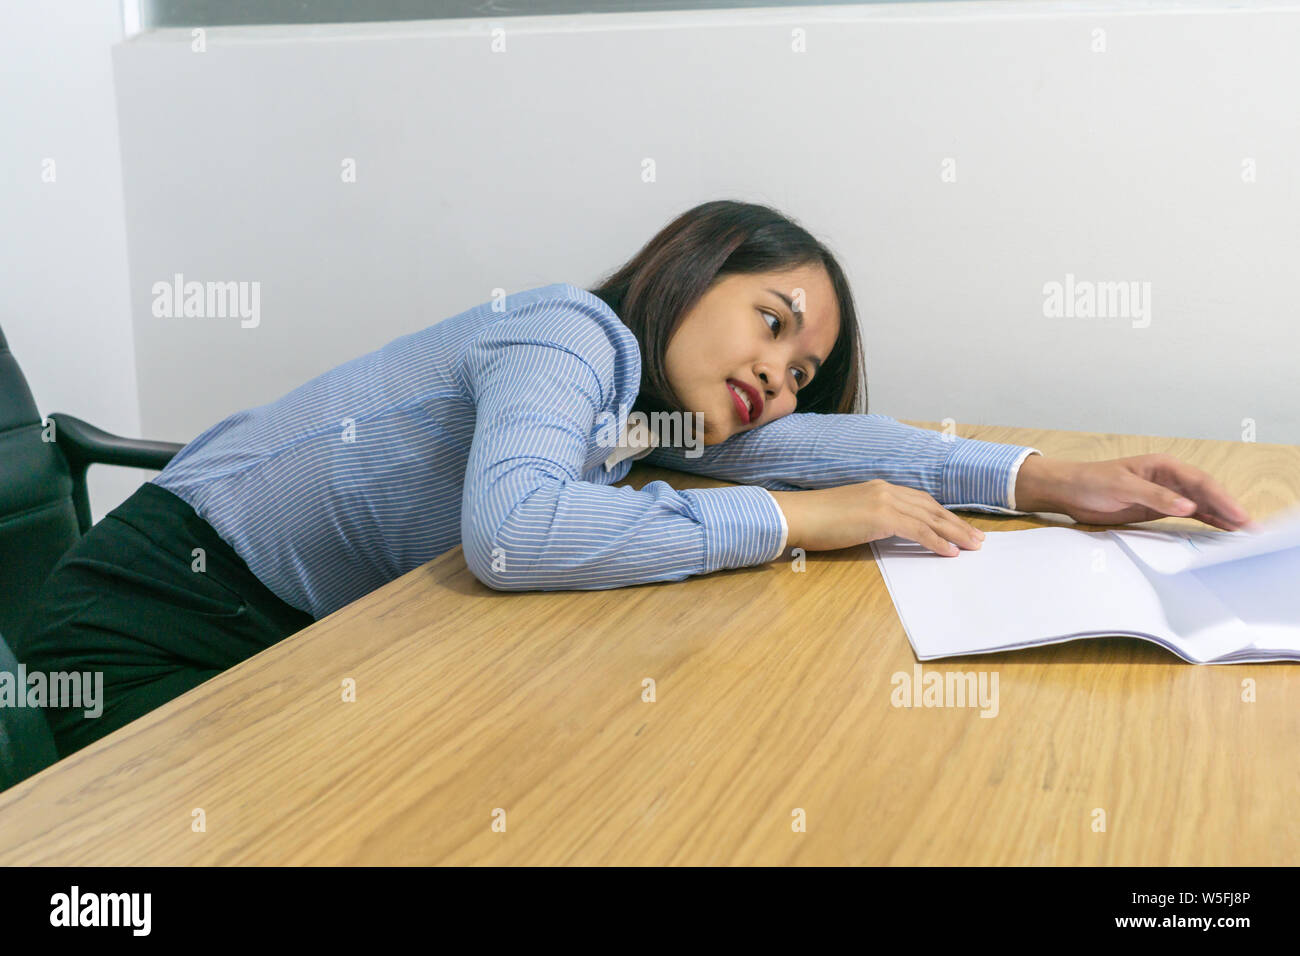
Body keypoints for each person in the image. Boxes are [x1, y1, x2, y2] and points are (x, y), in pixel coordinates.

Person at [12, 199, 1253, 758]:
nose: (782, 374)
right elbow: (510, 532)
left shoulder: (644, 415)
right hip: (152, 620)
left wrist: (1044, 477)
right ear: (690, 266)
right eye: (769, 322)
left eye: (805, 364)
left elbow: (820, 449)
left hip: (300, 634)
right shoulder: (565, 334)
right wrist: (787, 523)